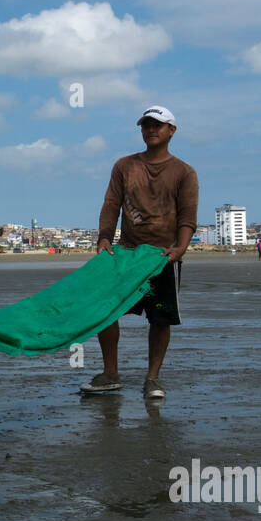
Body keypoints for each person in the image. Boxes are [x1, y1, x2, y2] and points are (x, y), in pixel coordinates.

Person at [84, 106, 198, 399]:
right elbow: (111, 204)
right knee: (106, 312)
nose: (151, 130)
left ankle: (152, 379)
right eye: (146, 126)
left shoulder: (184, 172)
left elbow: (187, 217)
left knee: (160, 319)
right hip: (125, 254)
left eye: (157, 125)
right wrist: (104, 238)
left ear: (171, 131)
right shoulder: (125, 166)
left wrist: (180, 248)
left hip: (160, 257)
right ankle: (110, 374)